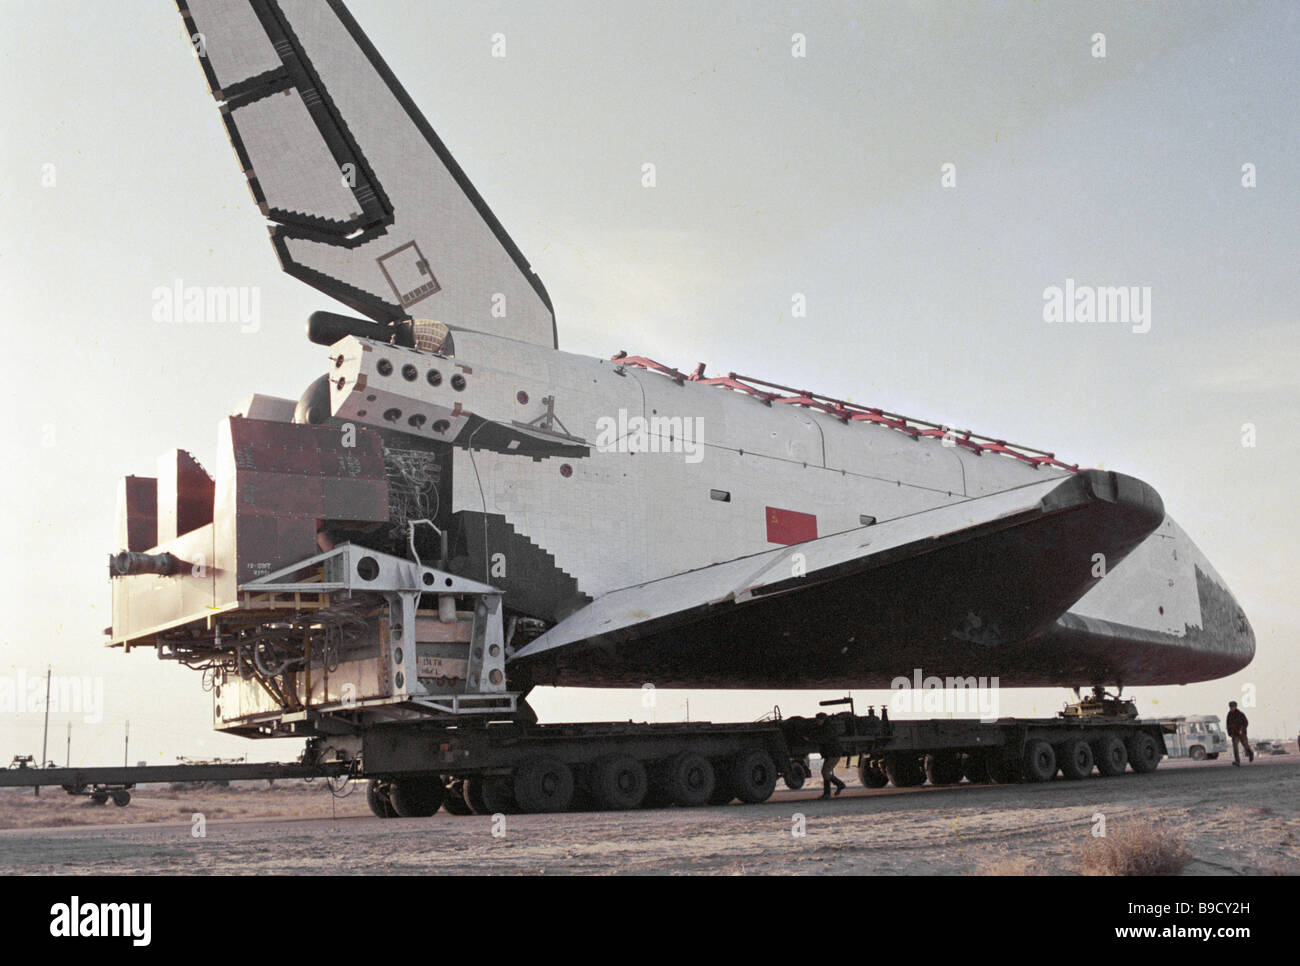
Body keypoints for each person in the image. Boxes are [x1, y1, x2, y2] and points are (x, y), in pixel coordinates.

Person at [815, 712, 846, 798]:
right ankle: (837, 786)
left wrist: (811, 739)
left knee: (825, 772)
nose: (817, 721)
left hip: (833, 753)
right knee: (825, 772)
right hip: (831, 754)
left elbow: (823, 740)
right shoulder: (826, 728)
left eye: (819, 720)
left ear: (823, 720)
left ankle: (829, 792)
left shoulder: (827, 729)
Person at [1226, 701, 1254, 766]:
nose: (1231, 708)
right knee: (1235, 747)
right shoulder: (1229, 715)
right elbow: (1228, 724)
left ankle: (1250, 754)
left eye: (1233, 707)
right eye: (1230, 707)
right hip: (1234, 734)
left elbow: (1246, 723)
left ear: (1235, 707)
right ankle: (1237, 761)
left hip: (1242, 734)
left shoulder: (1240, 714)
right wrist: (1229, 733)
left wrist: (1242, 729)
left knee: (1245, 745)